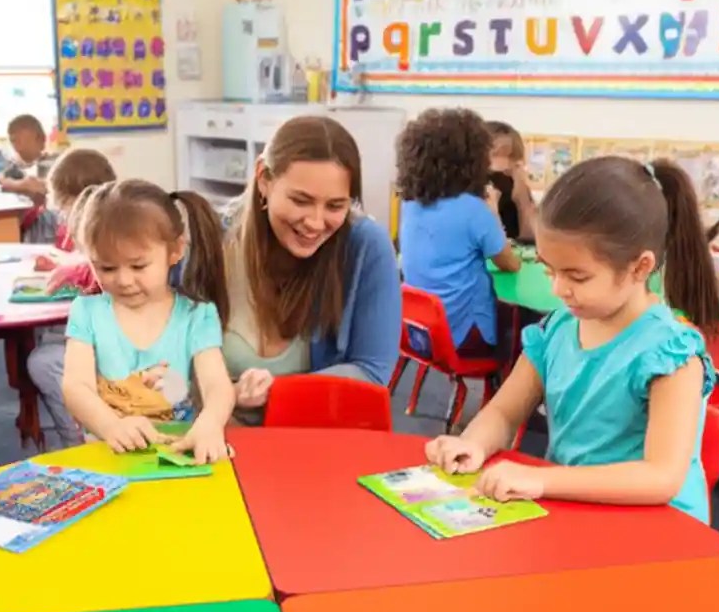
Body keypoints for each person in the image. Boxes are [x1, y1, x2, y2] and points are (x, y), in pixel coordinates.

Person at [425, 157, 719, 523]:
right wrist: (474, 442)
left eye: (577, 277)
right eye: (549, 270)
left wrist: (541, 478)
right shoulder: (559, 328)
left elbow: (660, 478)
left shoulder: (671, 353)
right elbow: (504, 411)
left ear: (640, 267)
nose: (558, 289)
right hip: (577, 506)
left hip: (659, 525)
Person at [222, 116, 401, 422]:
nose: (316, 223)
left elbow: (373, 371)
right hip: (213, 438)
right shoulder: (210, 242)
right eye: (300, 200)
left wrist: (275, 391)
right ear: (264, 178)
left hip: (314, 434)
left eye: (335, 206)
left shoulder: (366, 247)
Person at [59, 179, 234, 462]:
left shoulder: (196, 315)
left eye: (138, 265)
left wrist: (210, 423)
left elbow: (217, 385)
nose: (124, 280)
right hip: (107, 452)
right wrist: (111, 425)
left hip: (176, 452)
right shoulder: (87, 311)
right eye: (106, 267)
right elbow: (75, 386)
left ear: (175, 251)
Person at [397, 109, 521, 360]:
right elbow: (510, 264)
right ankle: (508, 392)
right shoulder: (473, 209)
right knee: (520, 333)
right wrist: (493, 211)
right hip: (464, 336)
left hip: (419, 330)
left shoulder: (410, 204)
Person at [26, 148, 117, 449]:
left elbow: (106, 273)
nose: (62, 213)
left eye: (63, 203)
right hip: (107, 328)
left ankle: (77, 437)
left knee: (43, 361)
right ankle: (75, 429)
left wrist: (75, 269)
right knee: (46, 344)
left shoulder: (105, 227)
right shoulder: (100, 222)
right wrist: (70, 267)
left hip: (119, 336)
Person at [0, 114, 58, 244]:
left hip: (50, 231)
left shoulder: (55, 164)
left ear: (40, 139)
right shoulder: (13, 169)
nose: (17, 148)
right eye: (13, 142)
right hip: (21, 231)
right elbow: (0, 181)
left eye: (20, 141)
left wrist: (16, 185)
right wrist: (18, 184)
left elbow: (39, 187)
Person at [485, 120, 538, 241]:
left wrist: (522, 200)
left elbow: (530, 241)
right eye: (497, 154)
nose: (507, 163)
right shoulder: (467, 189)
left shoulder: (514, 182)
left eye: (512, 156)